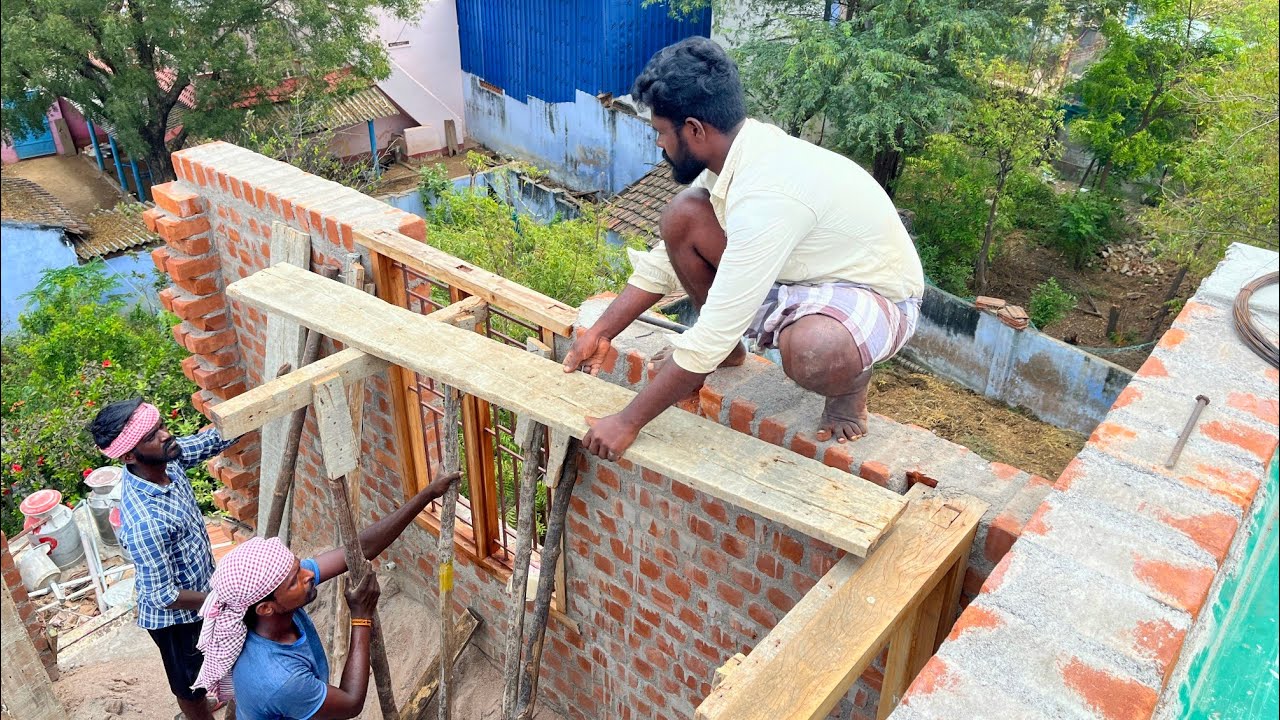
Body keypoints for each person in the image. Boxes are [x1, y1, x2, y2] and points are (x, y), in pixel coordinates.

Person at [564, 37, 924, 461]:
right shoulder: (732, 159)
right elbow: (665, 262)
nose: (659, 144)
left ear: (695, 129)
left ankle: (850, 386)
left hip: (872, 295)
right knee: (683, 215)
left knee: (812, 350)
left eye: (662, 132)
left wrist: (626, 422)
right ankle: (731, 354)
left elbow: (711, 329)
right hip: (794, 273)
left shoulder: (768, 193)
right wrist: (601, 333)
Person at [192, 470, 458, 719]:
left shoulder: (267, 603)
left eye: (299, 568)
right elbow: (351, 702)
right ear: (265, 608)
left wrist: (427, 494)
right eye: (295, 579)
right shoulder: (280, 679)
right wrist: (361, 617)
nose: (307, 575)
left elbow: (360, 549)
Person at [88, 398, 241, 720]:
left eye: (159, 427)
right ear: (129, 455)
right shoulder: (145, 521)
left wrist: (260, 408)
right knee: (189, 687)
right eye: (151, 436)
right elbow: (164, 596)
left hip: (202, 594)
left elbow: (210, 440)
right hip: (175, 619)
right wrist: (222, 600)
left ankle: (214, 692)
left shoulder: (165, 461)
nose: (165, 435)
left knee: (217, 658)